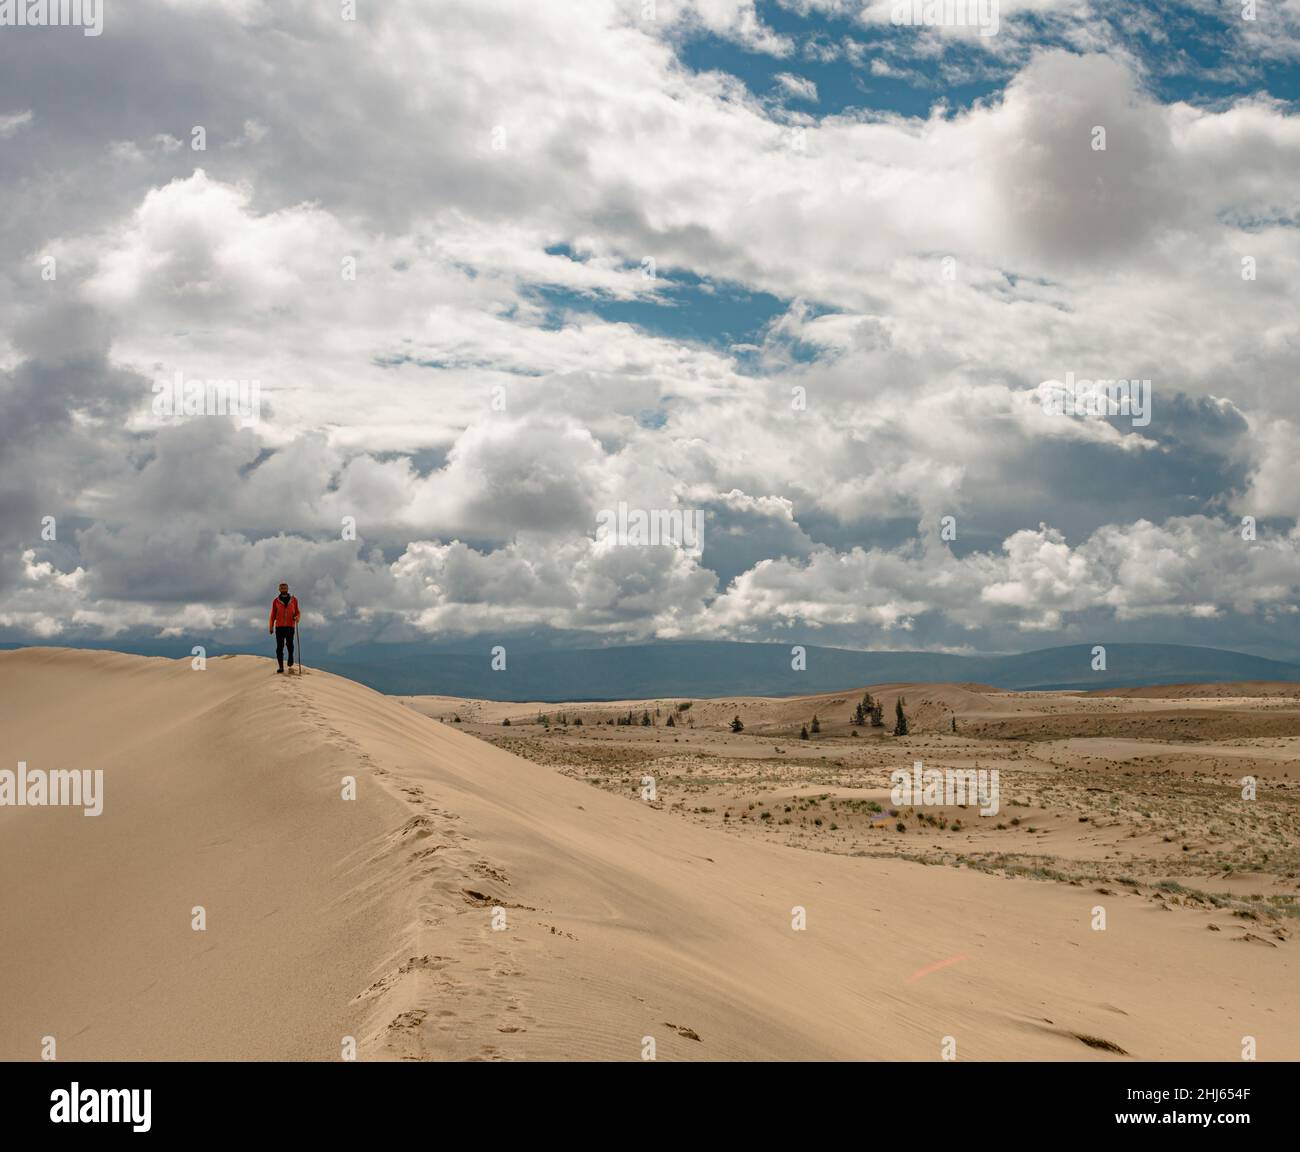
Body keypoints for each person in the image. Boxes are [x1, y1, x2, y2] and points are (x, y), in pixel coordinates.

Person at [268, 582, 301, 673]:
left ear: (287, 589)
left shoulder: (294, 600)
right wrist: (271, 626)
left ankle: (290, 656)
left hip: (290, 626)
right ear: (279, 589)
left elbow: (298, 612)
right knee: (279, 647)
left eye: (285, 588)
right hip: (279, 627)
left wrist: (297, 618)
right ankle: (281, 667)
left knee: (289, 644)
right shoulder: (276, 601)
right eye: (281, 588)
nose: (283, 590)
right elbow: (272, 615)